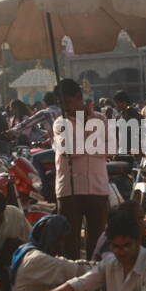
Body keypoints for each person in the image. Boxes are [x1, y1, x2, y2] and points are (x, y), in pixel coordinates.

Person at [53, 78, 110, 257]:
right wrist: (93, 142)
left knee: (98, 244)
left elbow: (110, 148)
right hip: (70, 191)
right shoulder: (60, 123)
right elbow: (69, 151)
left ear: (78, 97)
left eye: (67, 102)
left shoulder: (100, 119)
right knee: (70, 246)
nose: (65, 107)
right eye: (61, 104)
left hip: (97, 188)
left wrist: (83, 142)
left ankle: (95, 282)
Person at [9, 214, 90, 291]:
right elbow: (77, 271)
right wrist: (102, 269)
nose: (61, 245)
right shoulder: (37, 259)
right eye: (59, 240)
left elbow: (64, 262)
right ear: (49, 237)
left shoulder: (27, 251)